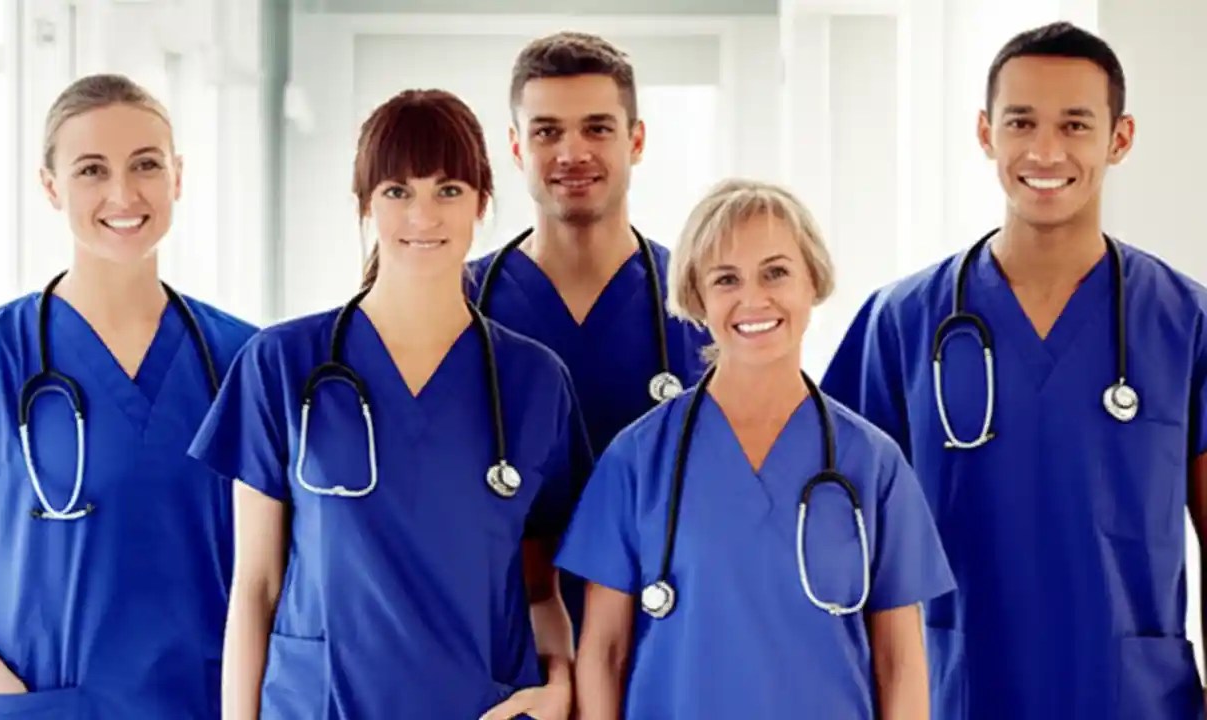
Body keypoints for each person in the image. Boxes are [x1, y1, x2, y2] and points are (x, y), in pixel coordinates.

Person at [821, 22, 1207, 720]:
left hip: (1129, 699)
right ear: (984, 132)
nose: (1045, 150)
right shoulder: (902, 321)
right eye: (1021, 121)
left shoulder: (1187, 324)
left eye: (1075, 124)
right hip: (955, 691)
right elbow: (845, 547)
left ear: (1119, 139)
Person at [189, 88, 591, 720]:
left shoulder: (534, 381)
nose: (422, 216)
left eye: (448, 191)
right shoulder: (282, 365)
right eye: (397, 192)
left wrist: (562, 685)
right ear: (366, 205)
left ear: (483, 203)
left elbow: (543, 590)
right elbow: (255, 587)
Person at [556, 178, 955, 719]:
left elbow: (900, 660)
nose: (753, 298)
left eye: (776, 272)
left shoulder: (872, 464)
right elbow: (604, 653)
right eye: (726, 279)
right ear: (697, 297)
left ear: (812, 279)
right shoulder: (638, 460)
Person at [0, 74, 257, 719]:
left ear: (178, 177)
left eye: (146, 165)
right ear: (50, 186)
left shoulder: (244, 360)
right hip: (50, 707)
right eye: (90, 170)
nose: (123, 193)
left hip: (207, 704)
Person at [469, 30, 711, 459]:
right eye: (547, 132)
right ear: (516, 148)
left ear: (636, 142)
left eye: (597, 128)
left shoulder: (699, 300)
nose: (572, 153)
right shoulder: (462, 300)